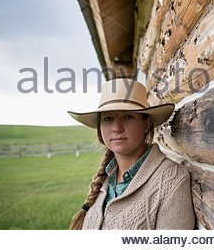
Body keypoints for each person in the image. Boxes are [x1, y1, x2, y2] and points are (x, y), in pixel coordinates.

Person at [67, 78, 195, 229]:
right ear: (100, 128)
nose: (116, 128)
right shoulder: (103, 180)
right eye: (108, 118)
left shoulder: (171, 180)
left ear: (146, 123)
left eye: (127, 117)